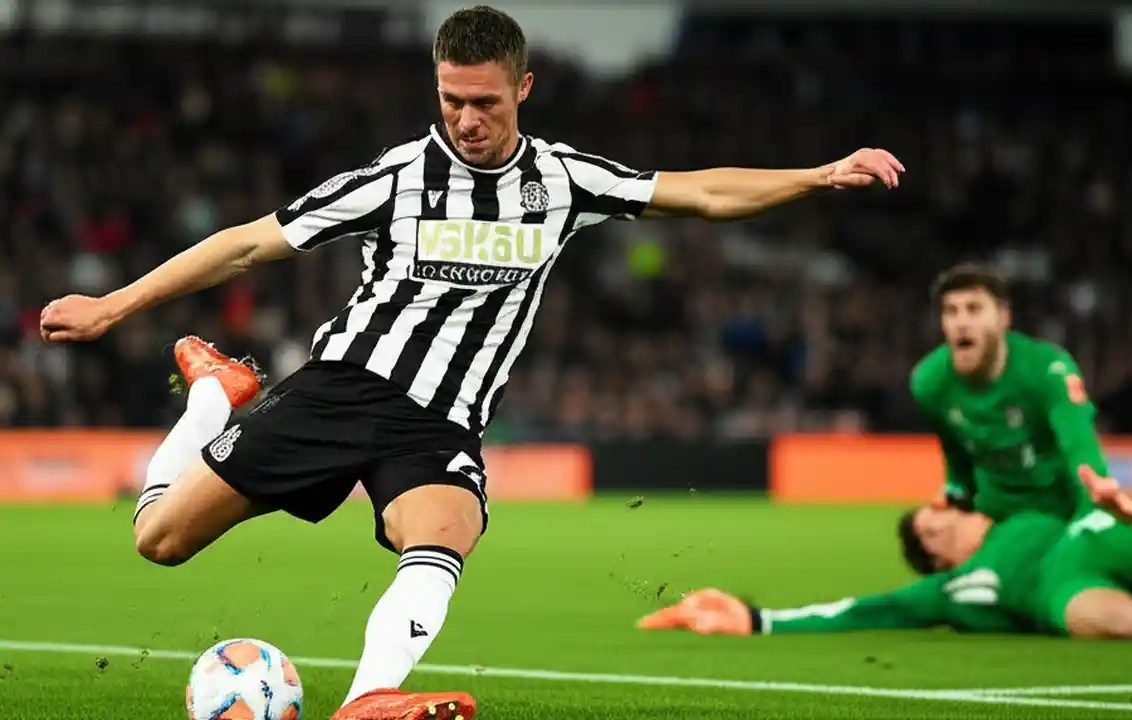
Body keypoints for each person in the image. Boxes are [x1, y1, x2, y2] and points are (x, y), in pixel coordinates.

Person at [37, 6, 905, 719]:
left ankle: (368, 702)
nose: (466, 118)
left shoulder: (565, 182)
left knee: (449, 529)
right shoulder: (393, 178)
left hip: (442, 422)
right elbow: (245, 246)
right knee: (159, 541)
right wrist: (114, 305)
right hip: (343, 389)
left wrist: (820, 174)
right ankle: (212, 399)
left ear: (523, 88)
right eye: (452, 99)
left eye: (486, 101)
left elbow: (702, 191)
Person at [636, 503, 1132, 639]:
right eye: (925, 530)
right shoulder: (955, 589)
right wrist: (755, 618)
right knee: (1108, 621)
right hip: (1061, 589)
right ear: (938, 556)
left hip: (1094, 536)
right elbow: (872, 609)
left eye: (937, 510)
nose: (937, 517)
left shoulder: (1024, 513)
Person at [911, 263, 1132, 526]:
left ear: (1004, 317)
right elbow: (956, 455)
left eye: (974, 309)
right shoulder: (929, 382)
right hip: (999, 518)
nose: (961, 323)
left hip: (1066, 509)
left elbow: (1078, 442)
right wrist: (956, 494)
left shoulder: (1047, 370)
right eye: (951, 311)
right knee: (922, 530)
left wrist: (1098, 490)